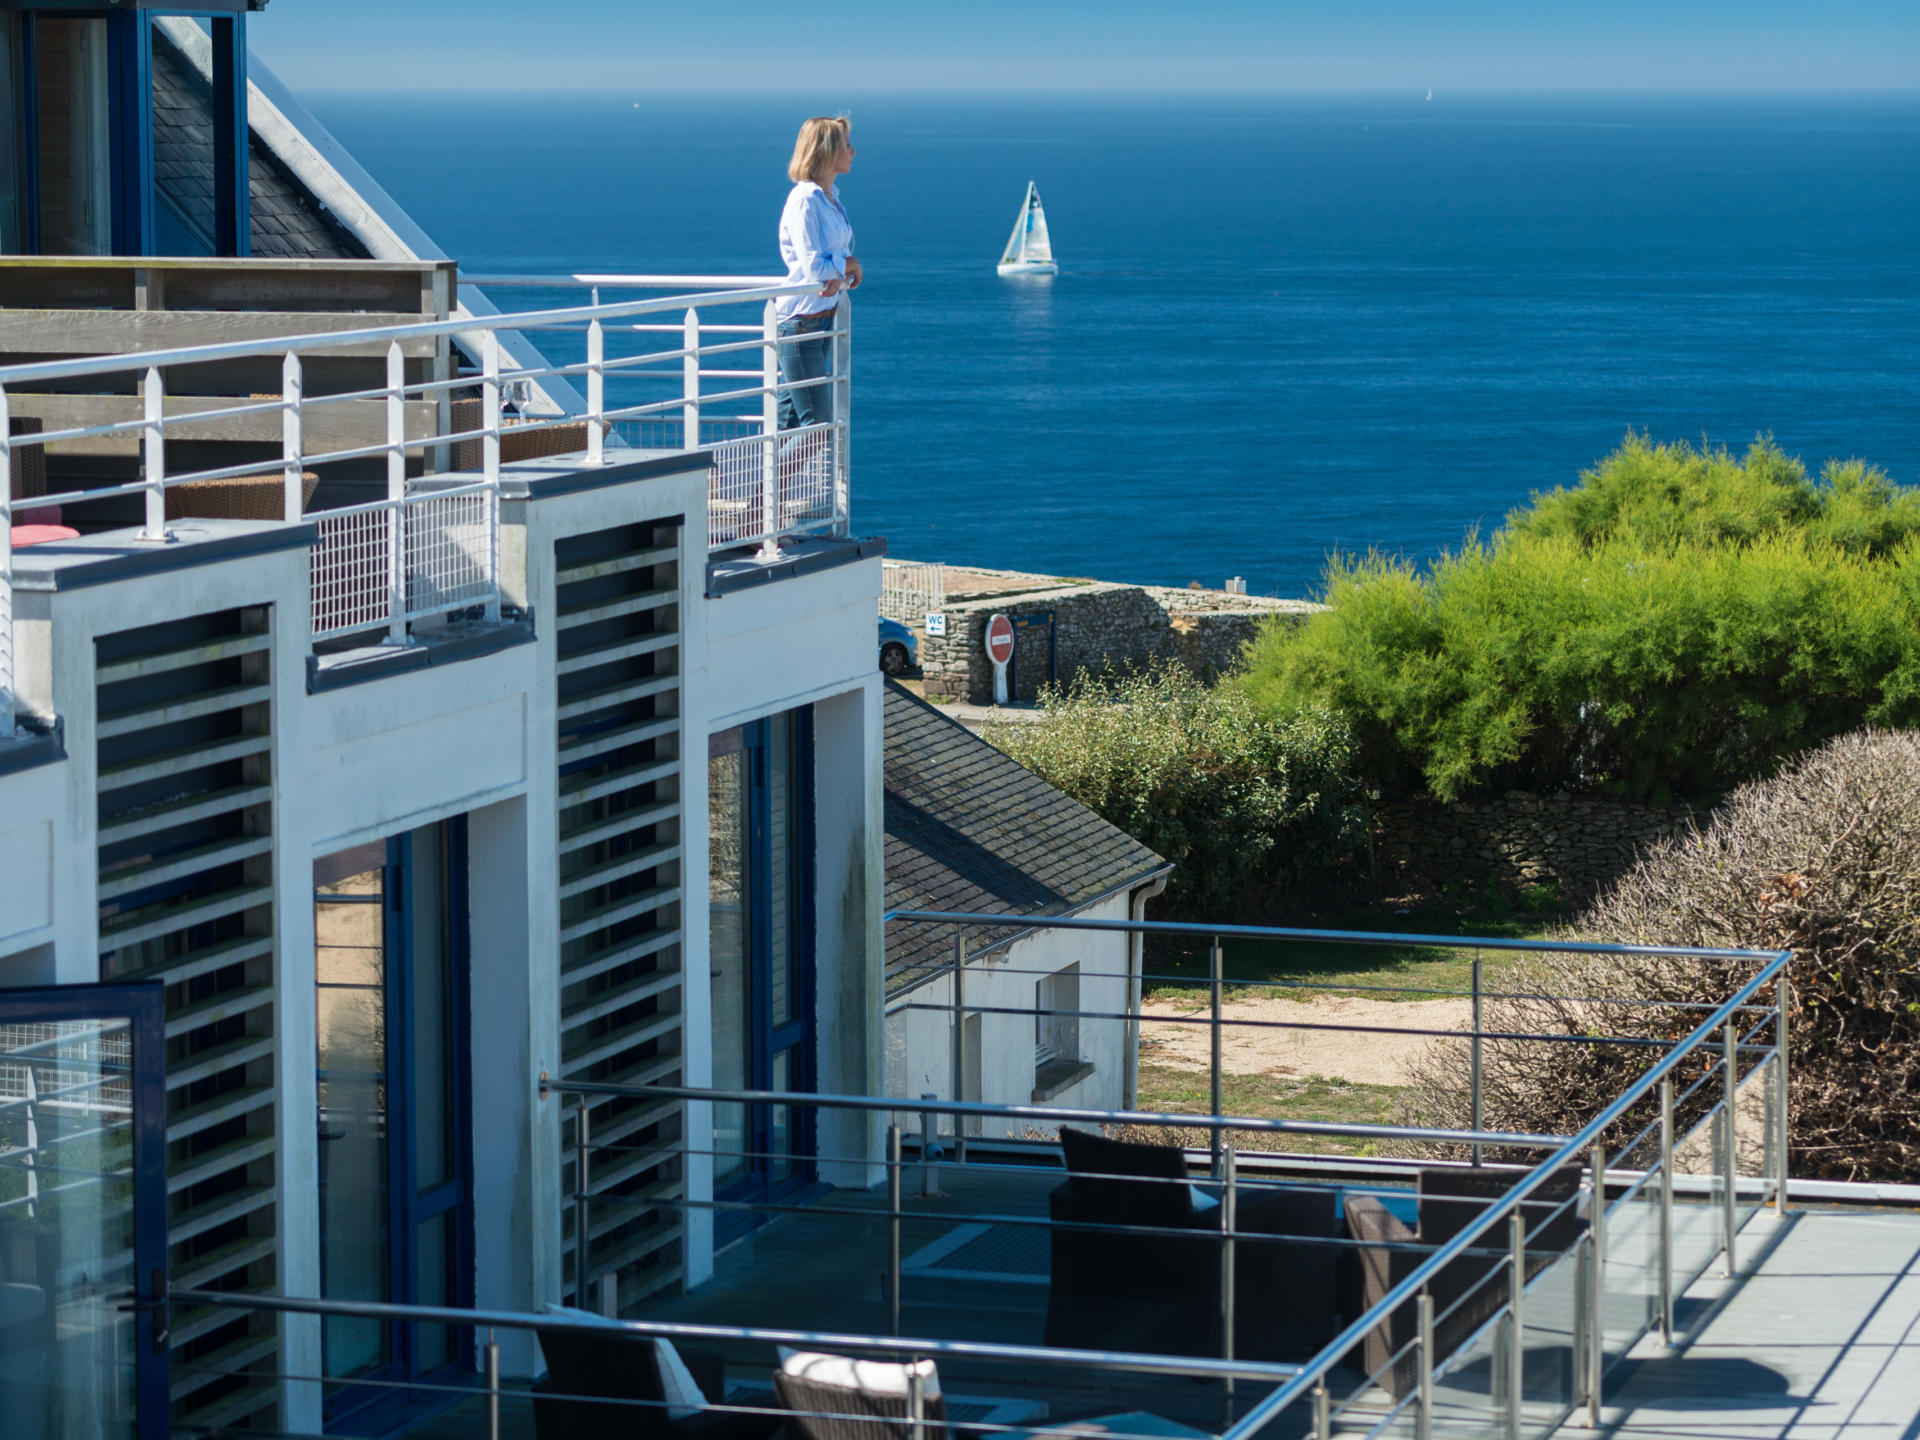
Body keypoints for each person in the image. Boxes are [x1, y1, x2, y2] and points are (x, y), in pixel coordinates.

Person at [776, 116, 861, 435]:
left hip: (821, 318)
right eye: (846, 145)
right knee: (818, 427)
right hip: (800, 322)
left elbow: (828, 264)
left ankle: (767, 485)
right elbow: (815, 268)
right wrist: (850, 265)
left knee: (790, 424)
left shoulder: (829, 197)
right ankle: (759, 488)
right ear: (826, 151)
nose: (854, 152)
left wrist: (843, 268)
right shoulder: (805, 200)